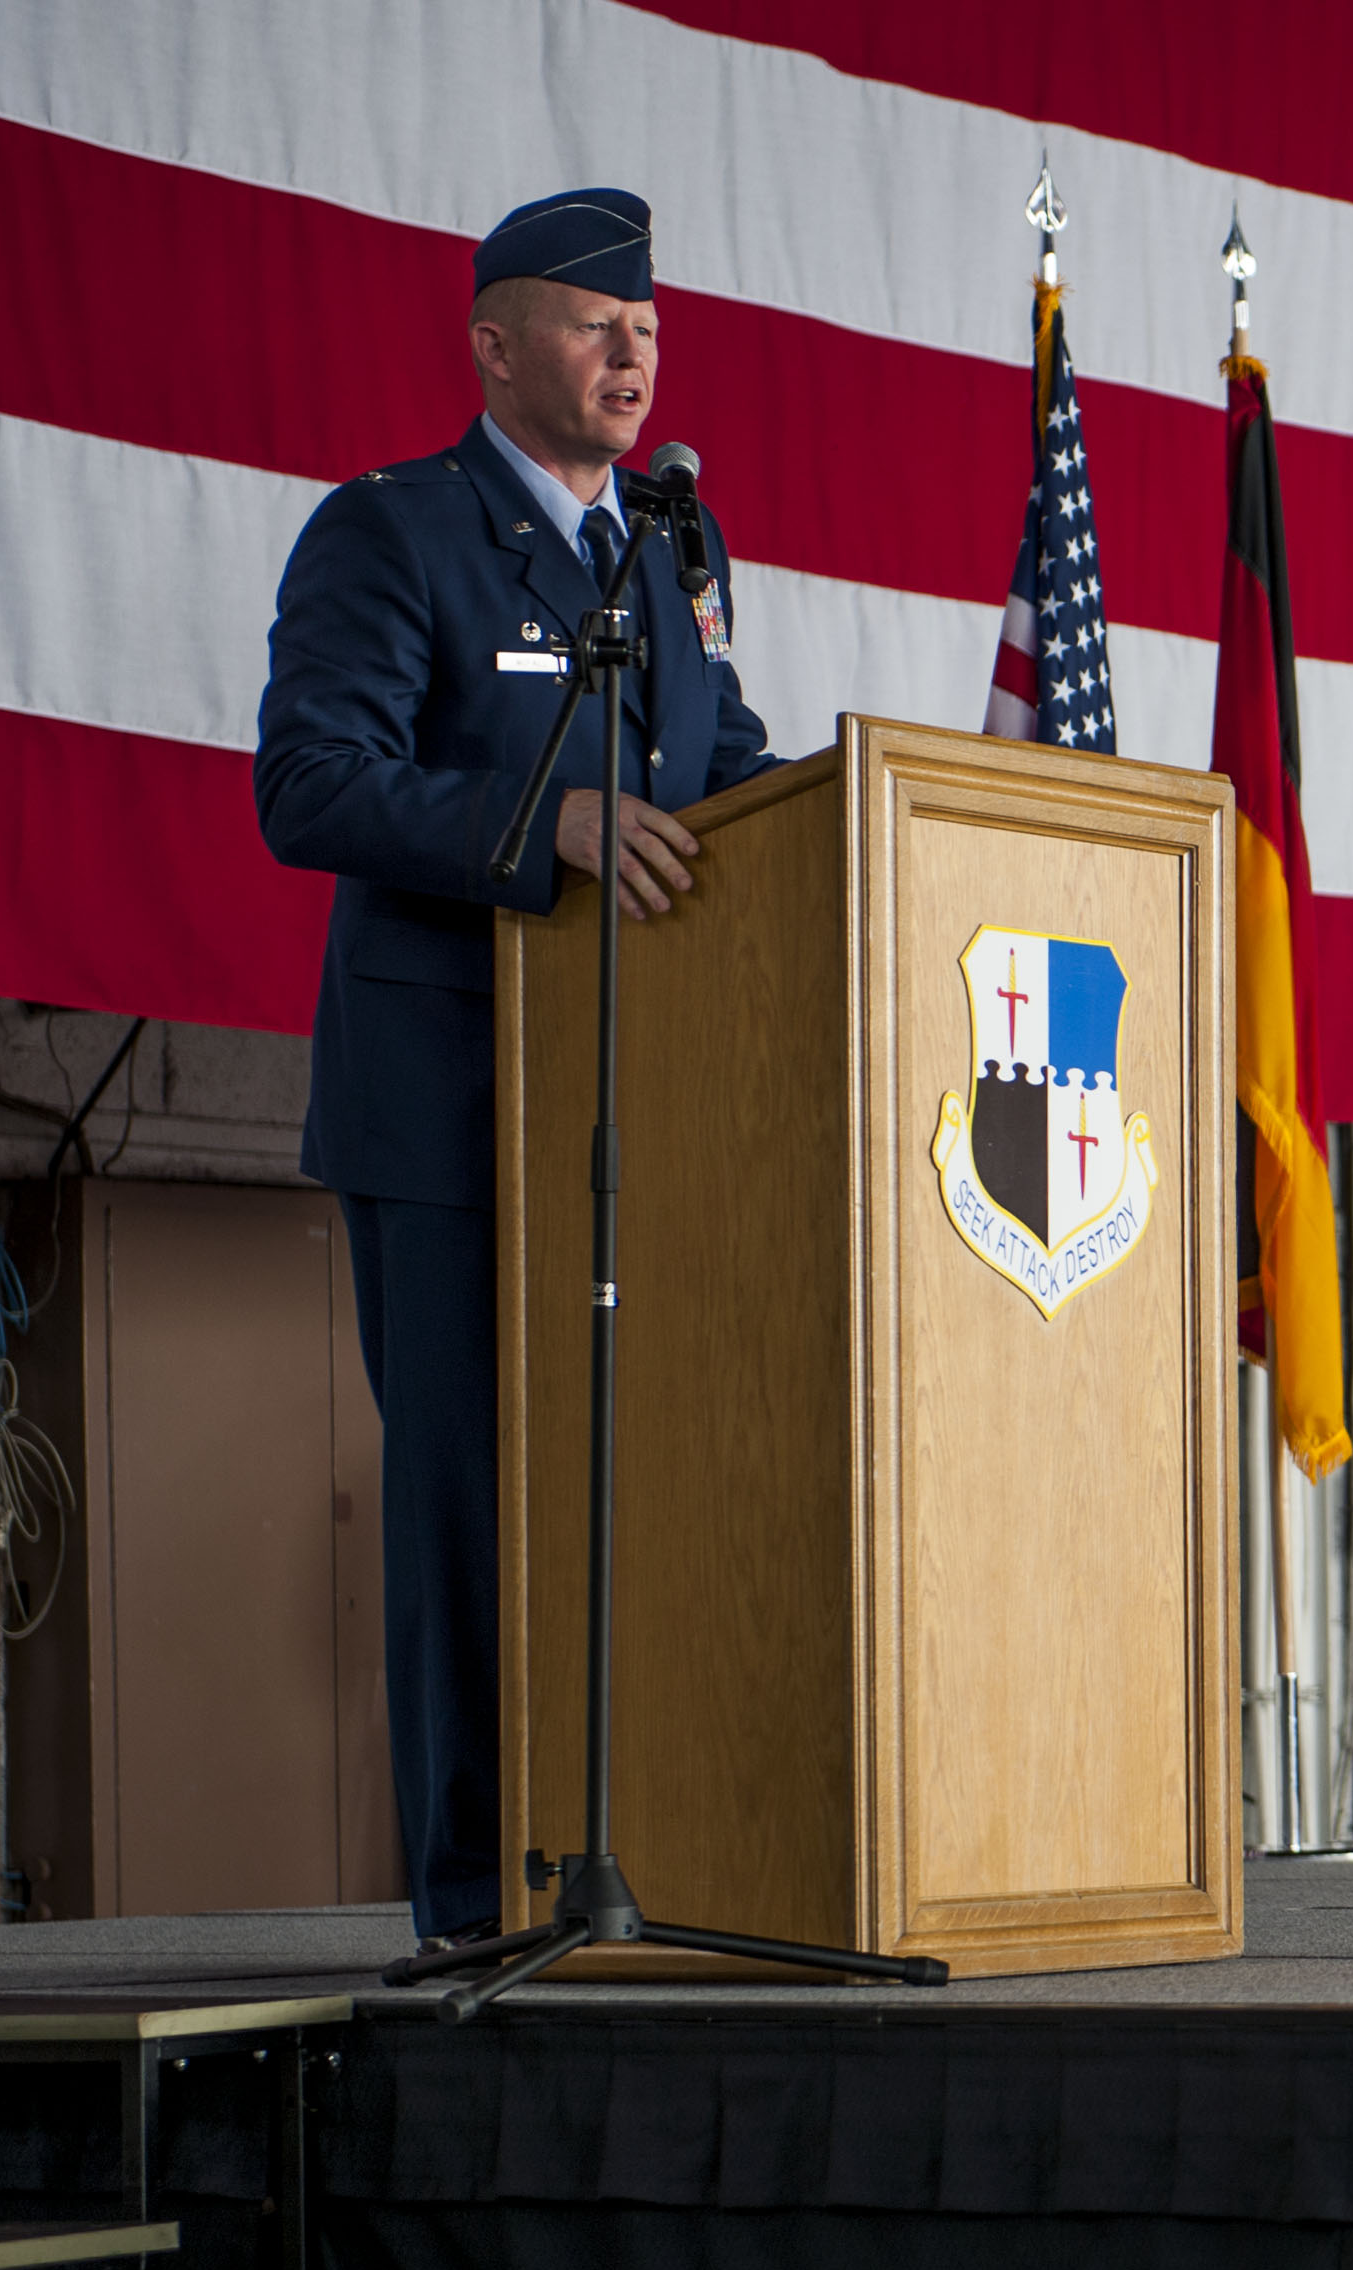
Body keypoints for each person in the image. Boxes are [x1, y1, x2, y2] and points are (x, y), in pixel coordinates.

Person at [258, 190, 777, 1949]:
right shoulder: (394, 534)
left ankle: (646, 1856)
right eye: (590, 322)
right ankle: (484, 1900)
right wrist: (534, 821)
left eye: (646, 328)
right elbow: (309, 783)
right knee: (477, 1510)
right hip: (455, 1114)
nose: (632, 351)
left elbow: (727, 772)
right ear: (493, 345)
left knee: (645, 1496)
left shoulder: (661, 554)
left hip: (645, 1113)